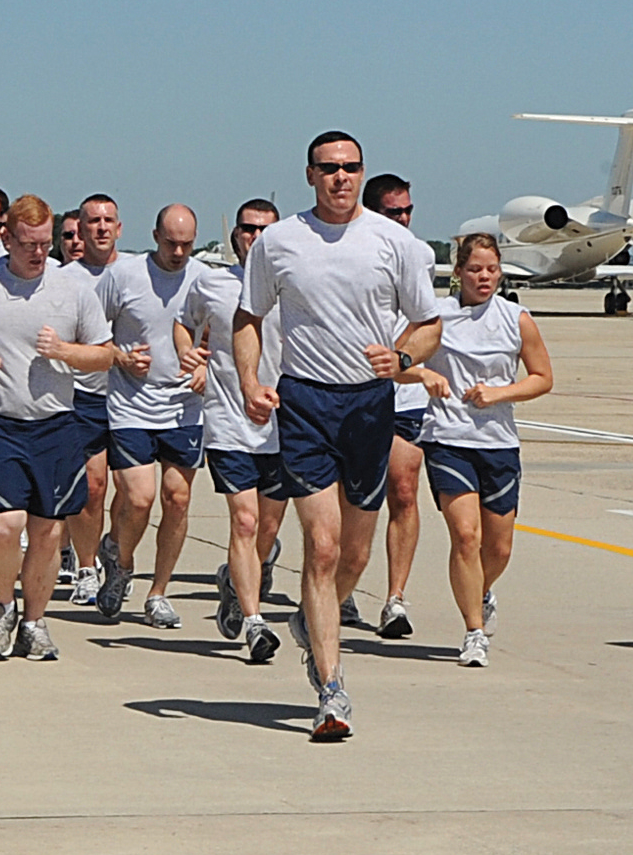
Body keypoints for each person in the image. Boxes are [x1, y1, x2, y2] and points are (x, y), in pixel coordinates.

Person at [233, 130, 442, 742]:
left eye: (350, 168)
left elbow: (429, 324)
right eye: (328, 168)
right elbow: (249, 318)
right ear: (309, 174)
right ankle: (331, 689)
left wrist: (402, 358)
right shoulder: (278, 243)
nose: (340, 178)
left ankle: (310, 618)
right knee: (321, 547)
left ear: (361, 172)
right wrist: (251, 379)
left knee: (353, 554)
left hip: (370, 407)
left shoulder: (393, 240)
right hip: (305, 403)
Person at [0, 194, 114, 660]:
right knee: (4, 526)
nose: (38, 253)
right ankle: (3, 607)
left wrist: (64, 352)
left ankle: (35, 622)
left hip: (57, 423)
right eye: (28, 245)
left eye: (44, 244)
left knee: (47, 531)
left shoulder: (72, 289)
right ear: (6, 239)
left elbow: (104, 353)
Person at [403, 233, 552, 667]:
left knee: (498, 547)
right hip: (448, 438)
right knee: (466, 535)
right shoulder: (438, 318)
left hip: (498, 443)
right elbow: (396, 363)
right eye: (474, 270)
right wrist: (423, 377)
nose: (483, 277)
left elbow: (542, 377)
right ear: (458, 273)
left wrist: (501, 393)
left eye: (491, 269)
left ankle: (480, 591)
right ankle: (474, 631)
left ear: (500, 271)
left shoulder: (516, 318)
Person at [180, 198, 291, 662]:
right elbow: (184, 324)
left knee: (267, 524)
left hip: (286, 424)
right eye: (248, 229)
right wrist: (190, 354)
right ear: (236, 235)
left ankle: (235, 578)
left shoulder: (293, 286)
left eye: (265, 230)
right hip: (228, 420)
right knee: (244, 520)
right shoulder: (211, 283)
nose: (255, 238)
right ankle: (254, 622)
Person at [95, 204, 208, 627]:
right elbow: (91, 330)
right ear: (155, 235)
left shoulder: (203, 280)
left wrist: (205, 368)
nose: (178, 253)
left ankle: (159, 591)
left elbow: (225, 337)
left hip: (184, 407)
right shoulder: (123, 276)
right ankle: (120, 562)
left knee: (177, 500)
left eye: (186, 244)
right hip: (130, 404)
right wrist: (120, 357)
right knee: (138, 499)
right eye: (170, 242)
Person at [362, 172, 436, 638]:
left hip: (403, 389)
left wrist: (401, 357)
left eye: (408, 210)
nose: (404, 219)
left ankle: (395, 598)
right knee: (351, 496)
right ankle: (339, 587)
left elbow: (423, 316)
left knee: (404, 490)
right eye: (394, 212)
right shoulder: (349, 249)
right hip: (349, 388)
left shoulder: (420, 255)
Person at [60, 193, 122, 604]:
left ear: (119, 228)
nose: (100, 227)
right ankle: (85, 566)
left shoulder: (139, 272)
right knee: (94, 485)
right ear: (79, 230)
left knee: (139, 496)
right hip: (85, 395)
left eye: (108, 220)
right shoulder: (63, 280)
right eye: (92, 221)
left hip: (136, 398)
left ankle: (115, 551)